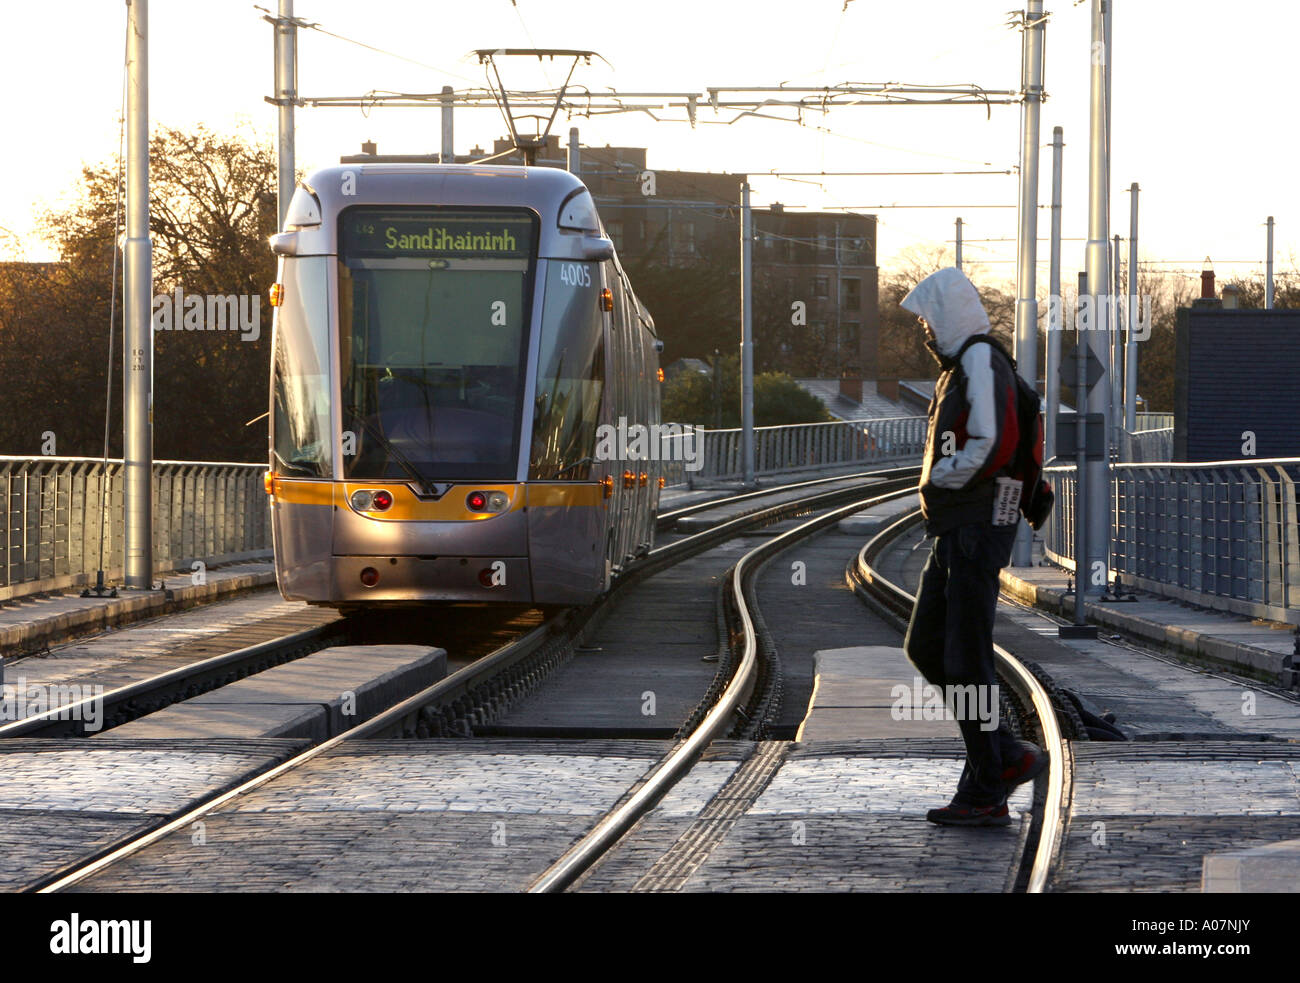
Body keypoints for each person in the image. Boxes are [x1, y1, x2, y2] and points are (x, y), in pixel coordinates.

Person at [899, 267, 1048, 827]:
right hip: (960, 526)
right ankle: (1003, 757)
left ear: (948, 317)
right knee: (929, 648)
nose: (924, 331)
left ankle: (991, 778)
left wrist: (944, 478)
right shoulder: (965, 366)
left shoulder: (982, 361)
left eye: (927, 319)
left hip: (976, 525)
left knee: (964, 656)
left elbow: (995, 439)